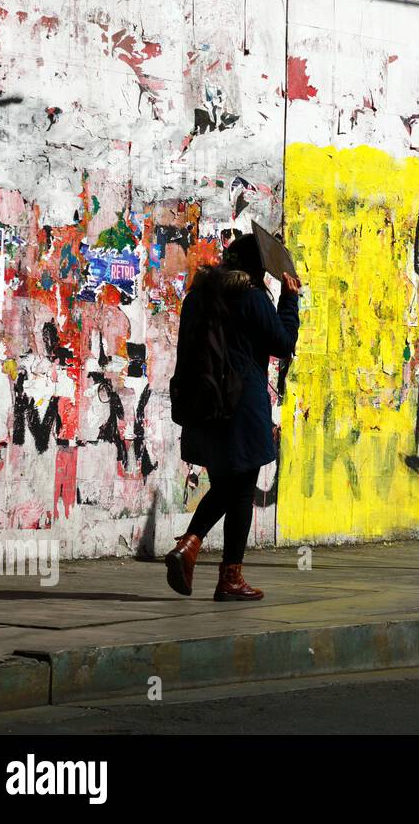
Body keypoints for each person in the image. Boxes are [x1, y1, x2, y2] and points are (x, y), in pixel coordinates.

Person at [164, 233, 301, 600]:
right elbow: (283, 343)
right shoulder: (252, 298)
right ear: (256, 270)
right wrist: (289, 300)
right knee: (237, 486)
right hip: (242, 408)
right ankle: (202, 554)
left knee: (231, 486)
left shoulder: (197, 297)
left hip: (204, 405)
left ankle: (220, 570)